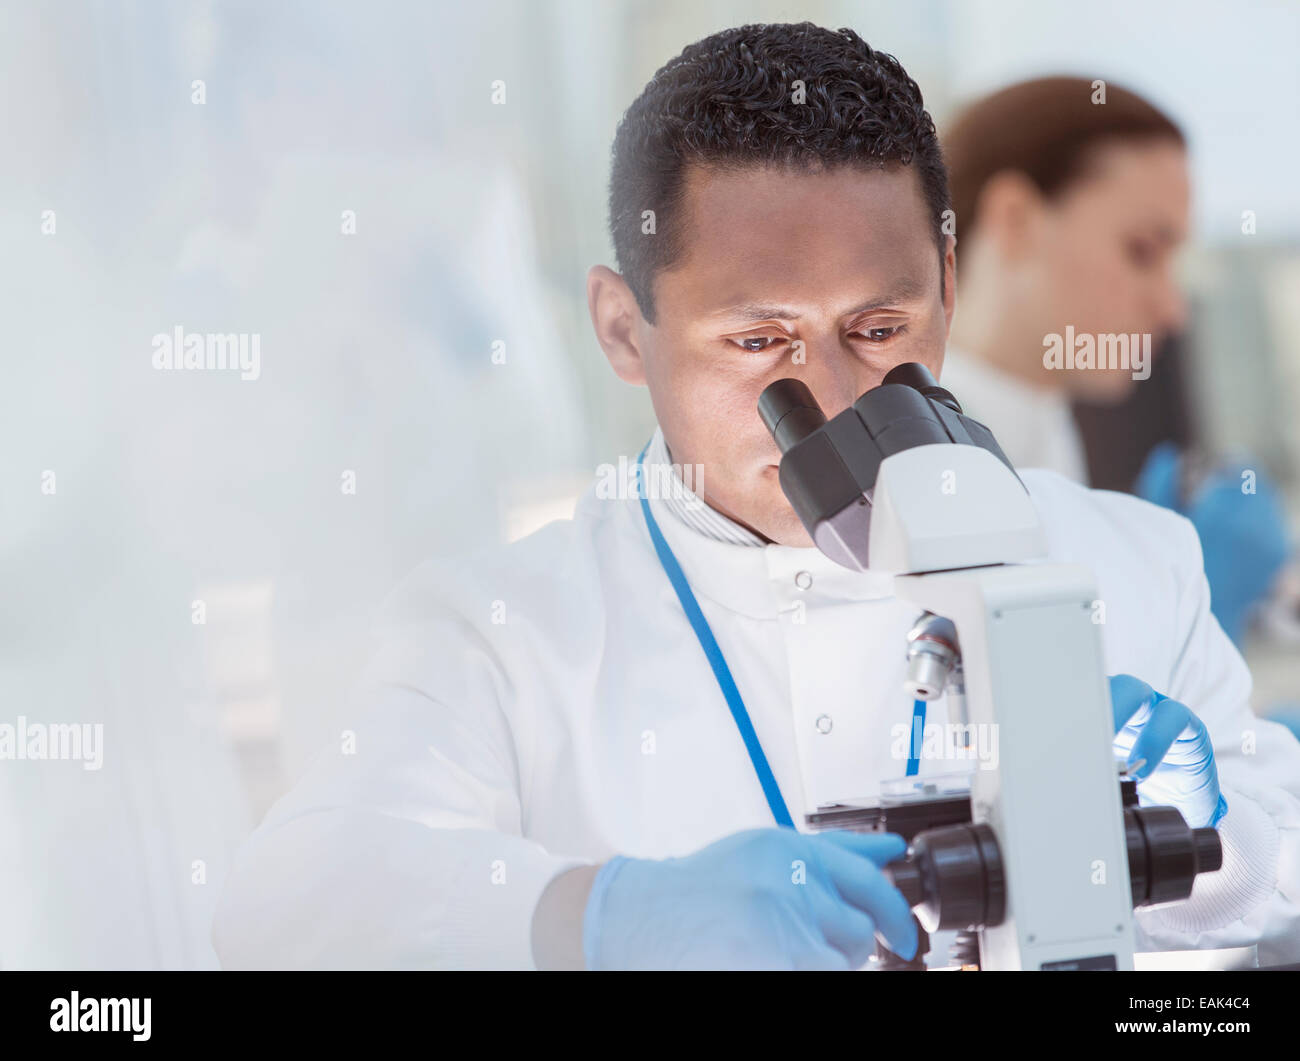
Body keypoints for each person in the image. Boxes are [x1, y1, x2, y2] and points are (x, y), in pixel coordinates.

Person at [212, 23, 1300, 970]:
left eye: (879, 331)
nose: (831, 400)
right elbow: (287, 906)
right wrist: (600, 914)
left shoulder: (1127, 558)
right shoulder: (508, 632)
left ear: (950, 286)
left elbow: (1282, 863)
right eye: (757, 341)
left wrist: (1213, 838)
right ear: (623, 331)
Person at [940, 78, 1290, 647]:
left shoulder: (1041, 427)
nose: (1173, 309)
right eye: (1143, 251)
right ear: (1017, 219)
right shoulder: (926, 465)